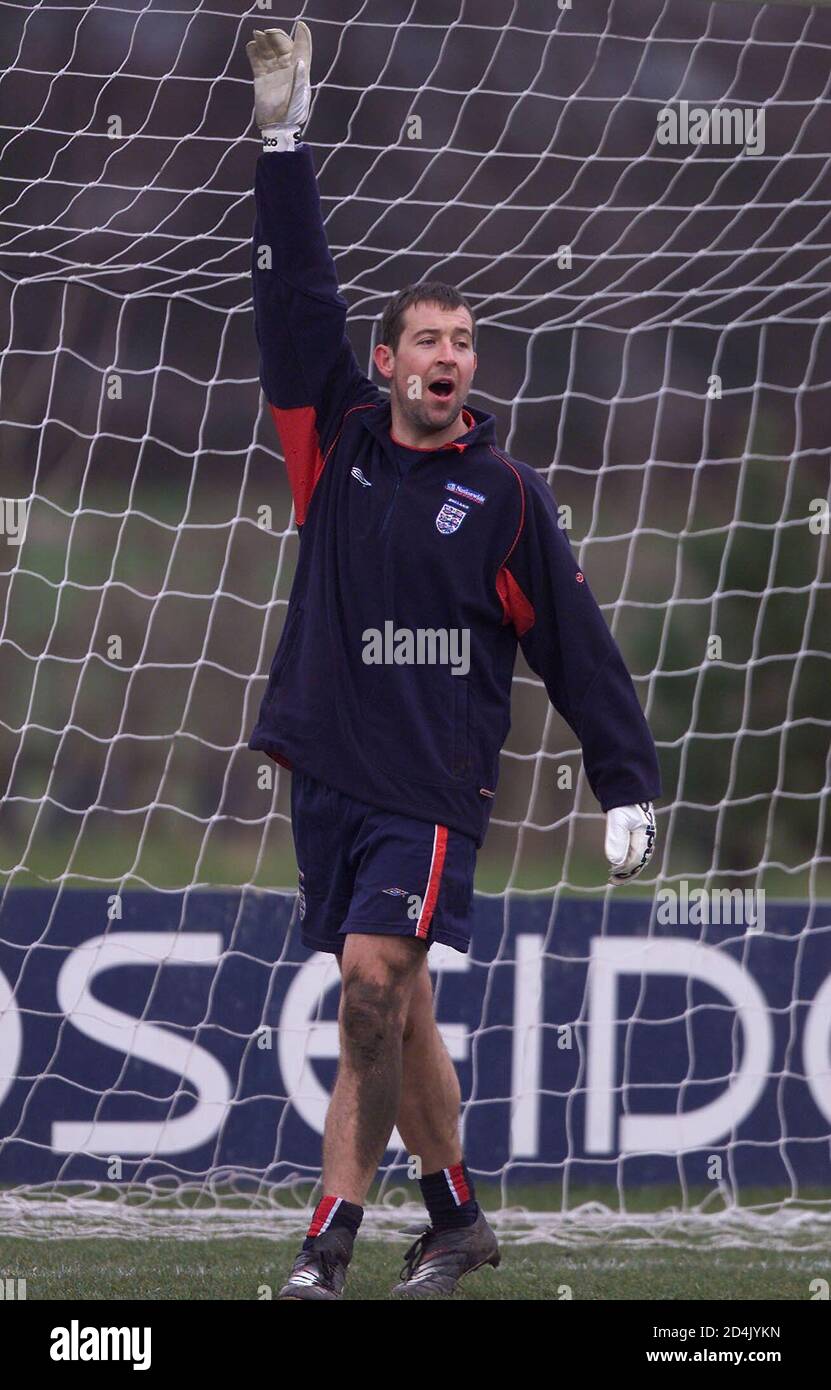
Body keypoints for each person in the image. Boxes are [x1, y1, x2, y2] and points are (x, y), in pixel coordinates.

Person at [245, 22, 661, 1301]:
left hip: (433, 784)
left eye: (463, 341)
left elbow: (577, 643)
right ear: (387, 363)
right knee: (399, 1004)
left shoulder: (506, 494)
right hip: (328, 766)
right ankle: (460, 1221)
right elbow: (297, 301)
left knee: (373, 985)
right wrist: (283, 143)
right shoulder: (336, 445)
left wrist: (625, 778)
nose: (447, 358)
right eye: (426, 340)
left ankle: (325, 1247)